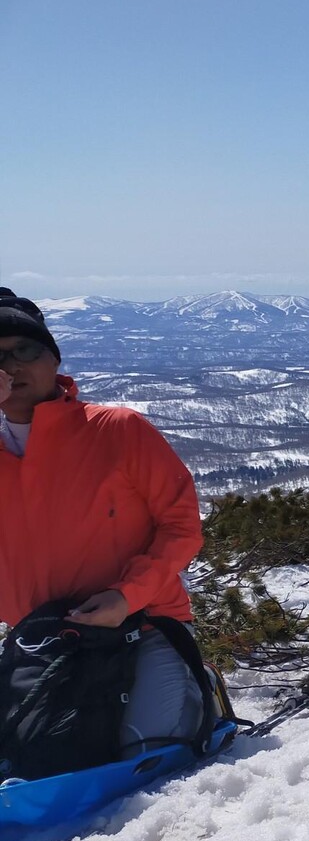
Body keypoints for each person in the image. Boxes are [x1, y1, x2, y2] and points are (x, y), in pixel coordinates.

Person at [0, 288, 205, 757]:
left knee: (143, 755)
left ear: (54, 361)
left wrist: (126, 595)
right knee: (32, 759)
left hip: (145, 628)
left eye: (26, 350)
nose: (11, 366)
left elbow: (182, 526)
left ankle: (197, 689)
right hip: (42, 644)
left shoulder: (116, 430)